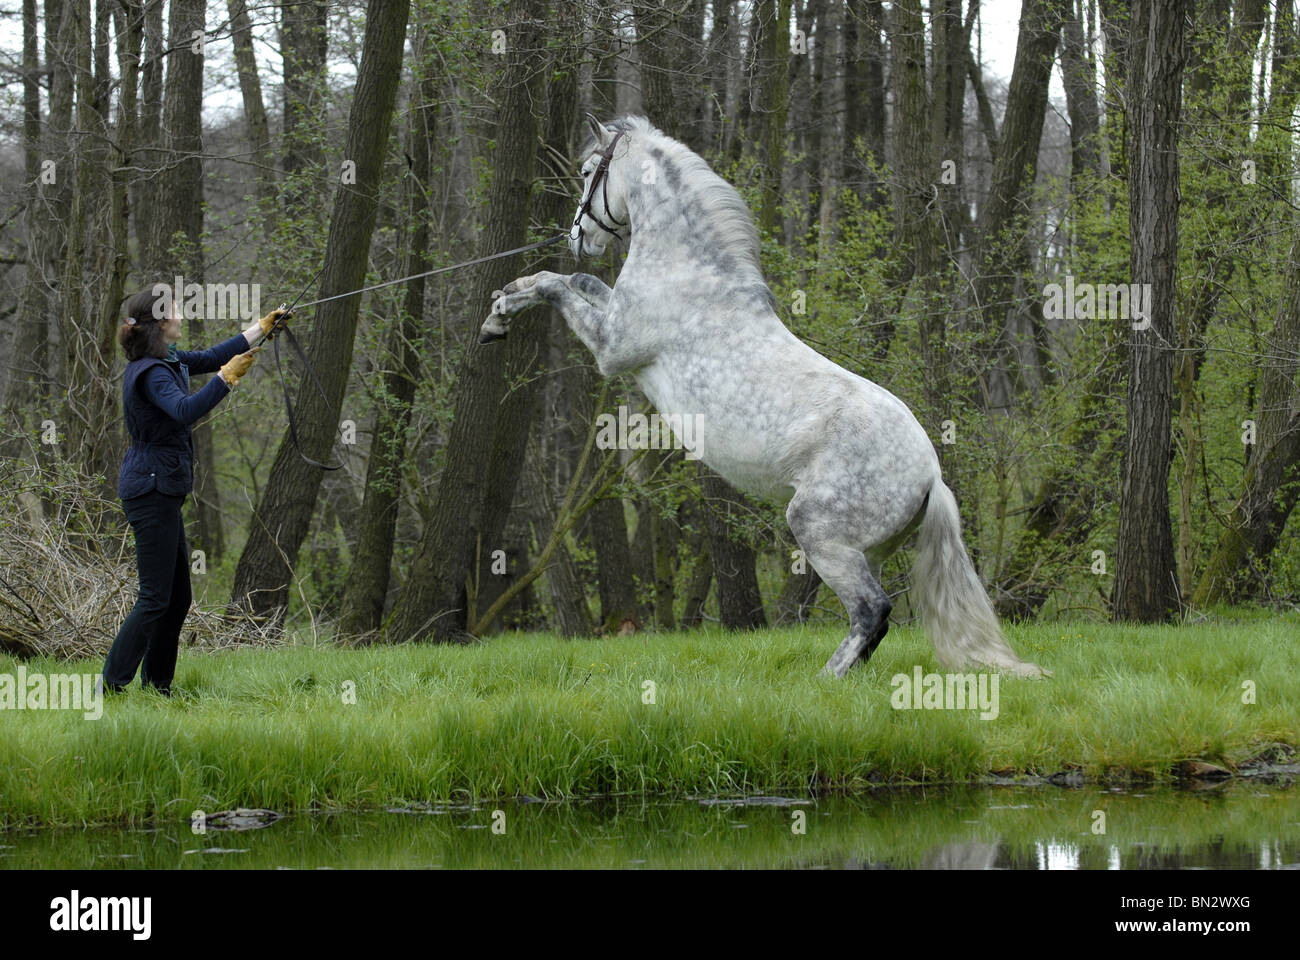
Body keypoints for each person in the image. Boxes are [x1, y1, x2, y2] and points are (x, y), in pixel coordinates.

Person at [101, 287, 285, 695]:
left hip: (161, 490)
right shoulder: (150, 372)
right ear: (161, 323)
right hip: (149, 490)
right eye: (176, 314)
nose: (182, 317)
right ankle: (110, 687)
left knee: (177, 597)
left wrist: (262, 329)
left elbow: (213, 356)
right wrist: (227, 379)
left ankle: (157, 689)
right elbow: (185, 410)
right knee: (153, 597)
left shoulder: (169, 360)